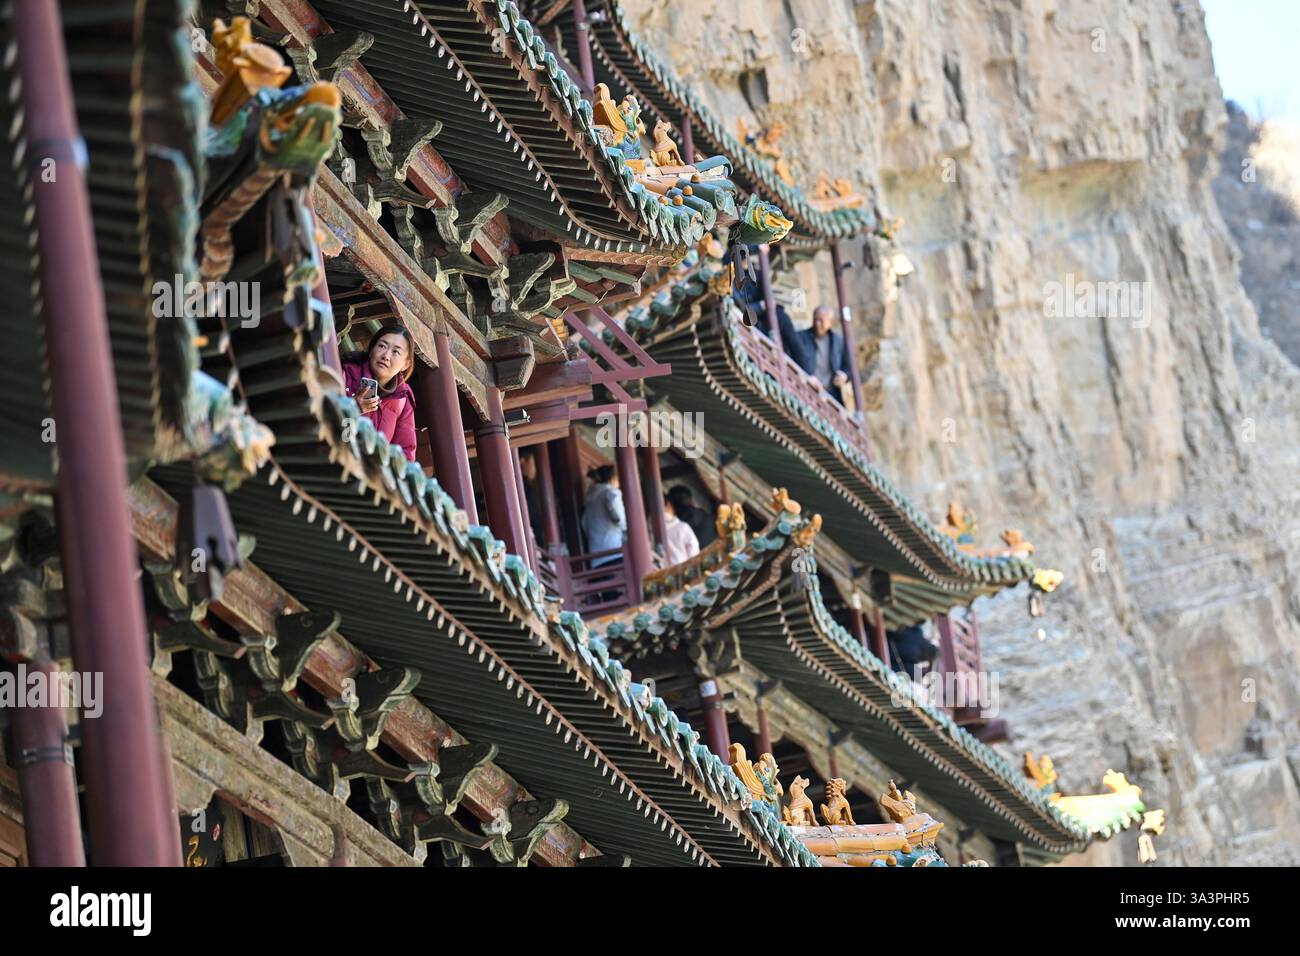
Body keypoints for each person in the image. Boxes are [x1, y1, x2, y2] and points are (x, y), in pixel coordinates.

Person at [342, 323, 418, 461]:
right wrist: (353, 409)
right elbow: (328, 426)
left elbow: (404, 455)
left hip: (371, 477)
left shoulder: (402, 399)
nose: (386, 356)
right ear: (371, 350)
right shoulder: (345, 375)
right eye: (382, 346)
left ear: (405, 364)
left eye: (396, 352)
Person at [794, 305, 853, 404]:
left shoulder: (839, 342)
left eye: (821, 321)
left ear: (830, 322)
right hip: (806, 390)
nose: (817, 324)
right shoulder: (800, 338)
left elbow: (850, 367)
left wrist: (844, 376)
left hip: (831, 393)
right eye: (815, 320)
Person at [581, 465, 625, 567]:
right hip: (614, 553)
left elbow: (584, 526)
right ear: (612, 479)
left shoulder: (588, 502)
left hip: (596, 560)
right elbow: (620, 519)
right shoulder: (611, 493)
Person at [662, 493, 701, 566]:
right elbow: (694, 550)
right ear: (668, 505)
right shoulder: (682, 527)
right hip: (683, 570)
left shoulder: (649, 530)